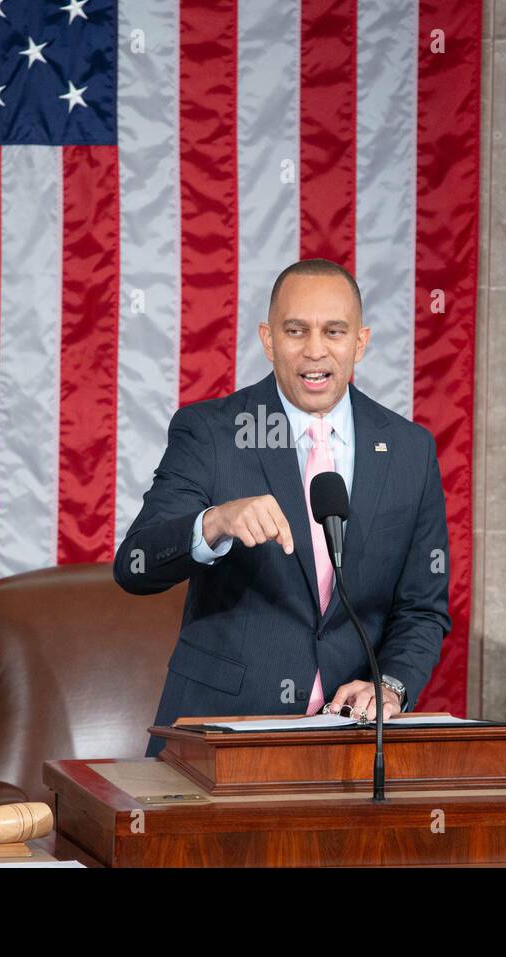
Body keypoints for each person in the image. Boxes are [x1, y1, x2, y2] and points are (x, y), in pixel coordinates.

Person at [113, 258, 451, 757]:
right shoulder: (210, 433)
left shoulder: (409, 450)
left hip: (349, 743)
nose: (315, 350)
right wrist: (215, 523)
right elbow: (135, 565)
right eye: (296, 331)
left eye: (334, 331)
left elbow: (422, 607)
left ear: (360, 342)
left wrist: (391, 686)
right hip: (219, 737)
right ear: (269, 340)